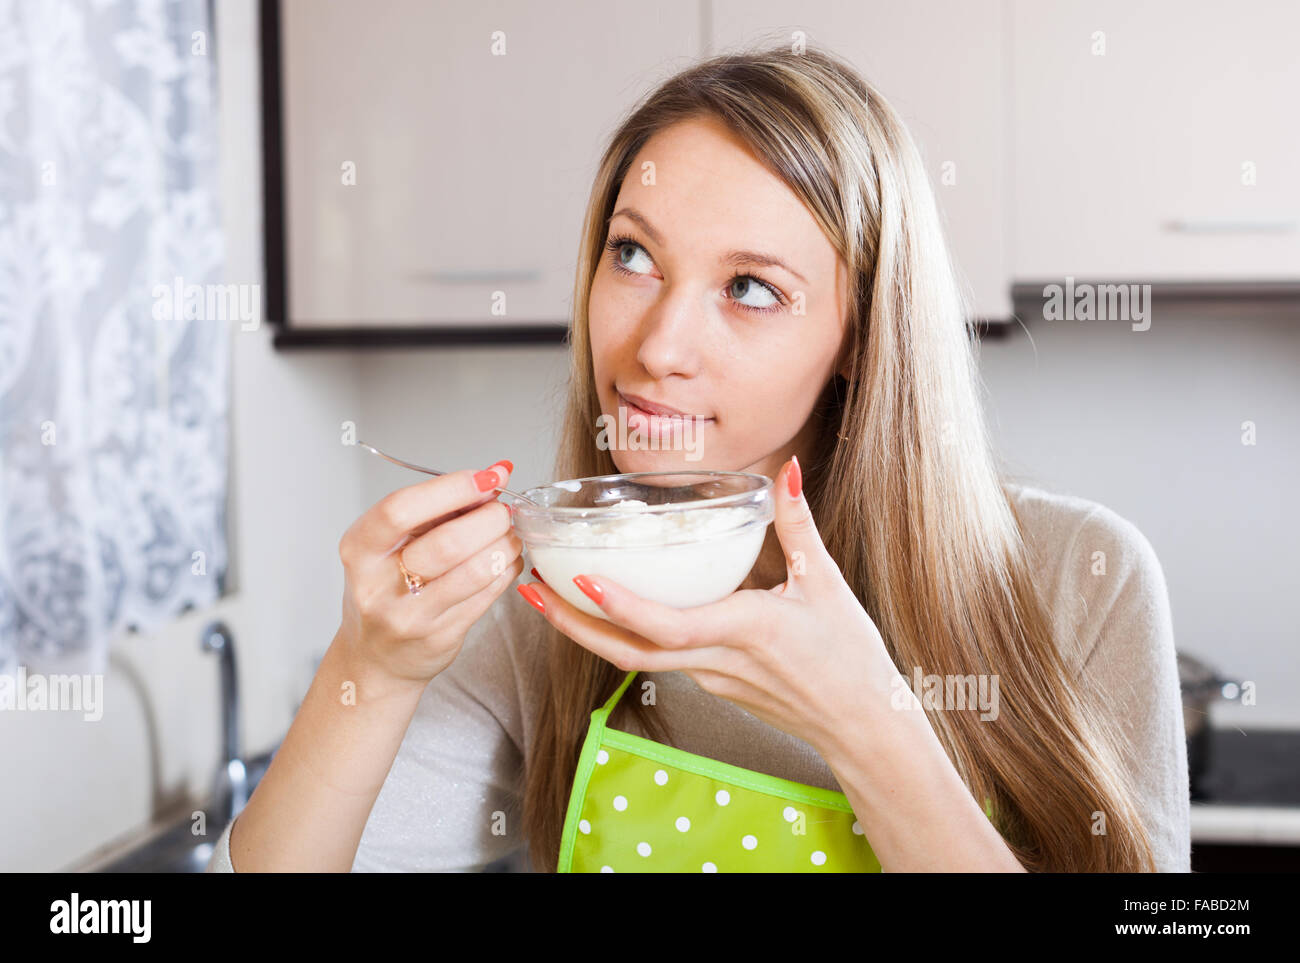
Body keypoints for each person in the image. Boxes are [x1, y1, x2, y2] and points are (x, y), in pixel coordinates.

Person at [209, 45, 1189, 873]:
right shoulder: (550, 603)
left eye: (751, 287)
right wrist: (370, 669)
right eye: (632, 256)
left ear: (860, 335)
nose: (658, 346)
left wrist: (868, 722)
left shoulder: (1081, 581)